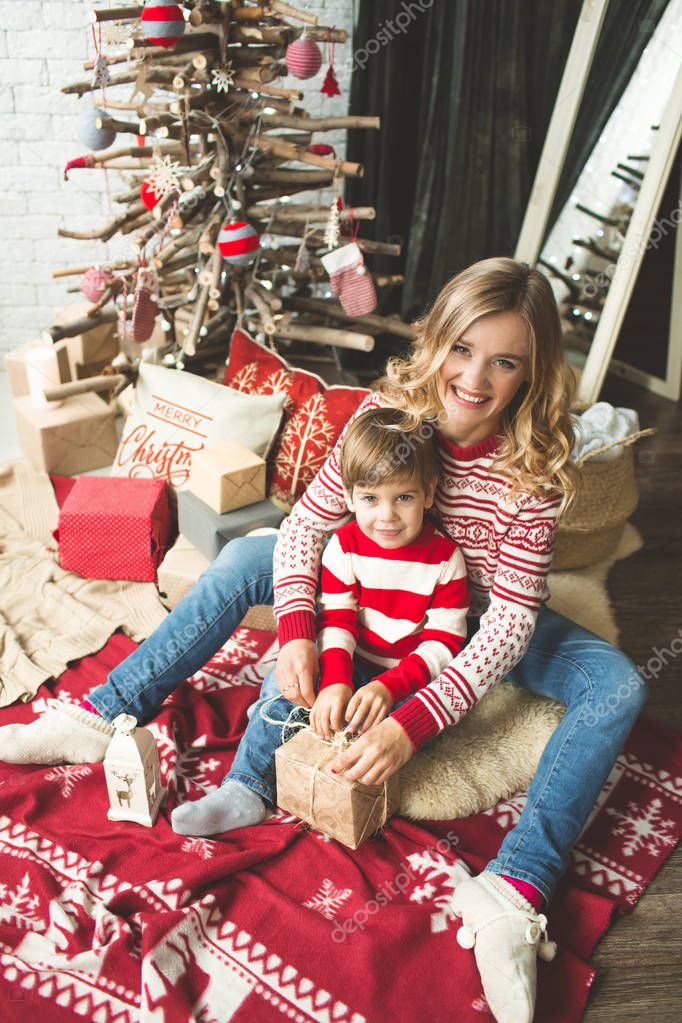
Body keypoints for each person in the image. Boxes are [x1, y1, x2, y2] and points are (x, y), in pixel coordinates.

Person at [0, 257, 648, 1023]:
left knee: (618, 685)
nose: (474, 378)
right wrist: (302, 633)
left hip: (469, 614)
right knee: (248, 555)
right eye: (463, 349)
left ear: (531, 375)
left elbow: (509, 620)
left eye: (504, 362)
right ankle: (104, 709)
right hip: (370, 588)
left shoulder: (534, 469)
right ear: (437, 338)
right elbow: (308, 523)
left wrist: (416, 720)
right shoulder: (389, 411)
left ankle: (515, 890)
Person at [169, 406, 470, 836]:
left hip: (408, 679)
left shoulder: (445, 559)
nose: (386, 516)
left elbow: (444, 643)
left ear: (428, 492)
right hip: (350, 660)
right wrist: (335, 680)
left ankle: (330, 782)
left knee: (377, 737)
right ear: (348, 497)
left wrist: (389, 688)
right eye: (370, 498)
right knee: (287, 685)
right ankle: (245, 788)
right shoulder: (343, 546)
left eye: (403, 497)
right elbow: (339, 620)